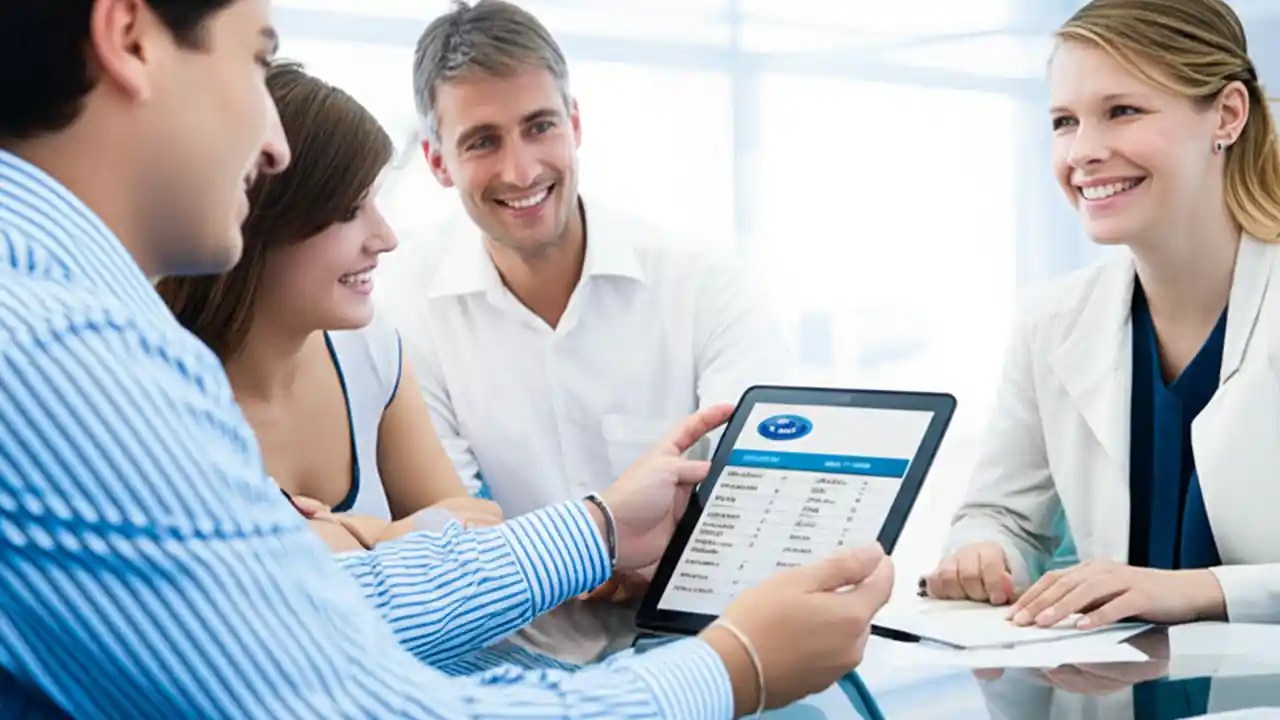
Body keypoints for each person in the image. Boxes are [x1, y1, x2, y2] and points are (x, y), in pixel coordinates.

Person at [0, 1, 896, 717]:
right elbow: (361, 698)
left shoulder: (69, 325)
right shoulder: (64, 358)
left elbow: (341, 614)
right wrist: (732, 667)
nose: (274, 144)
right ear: (129, 39)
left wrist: (594, 528)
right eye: (256, 58)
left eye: (540, 126)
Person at [384, 0, 791, 663]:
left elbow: (770, 491)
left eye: (539, 126)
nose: (521, 170)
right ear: (436, 161)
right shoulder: (404, 311)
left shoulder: (703, 284)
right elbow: (453, 541)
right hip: (510, 670)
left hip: (704, 650)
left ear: (574, 124)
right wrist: (593, 552)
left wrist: (664, 564)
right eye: (482, 140)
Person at [927, 0, 1280, 629]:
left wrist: (1203, 591)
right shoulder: (1052, 321)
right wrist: (984, 554)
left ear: (1226, 115)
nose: (1083, 152)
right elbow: (1001, 516)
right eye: (1065, 121)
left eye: (1123, 111)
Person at [156, 61, 502, 553]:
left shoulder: (371, 352)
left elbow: (481, 539)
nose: (385, 238)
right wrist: (398, 535)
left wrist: (361, 535)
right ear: (257, 223)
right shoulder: (154, 396)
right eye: (348, 212)